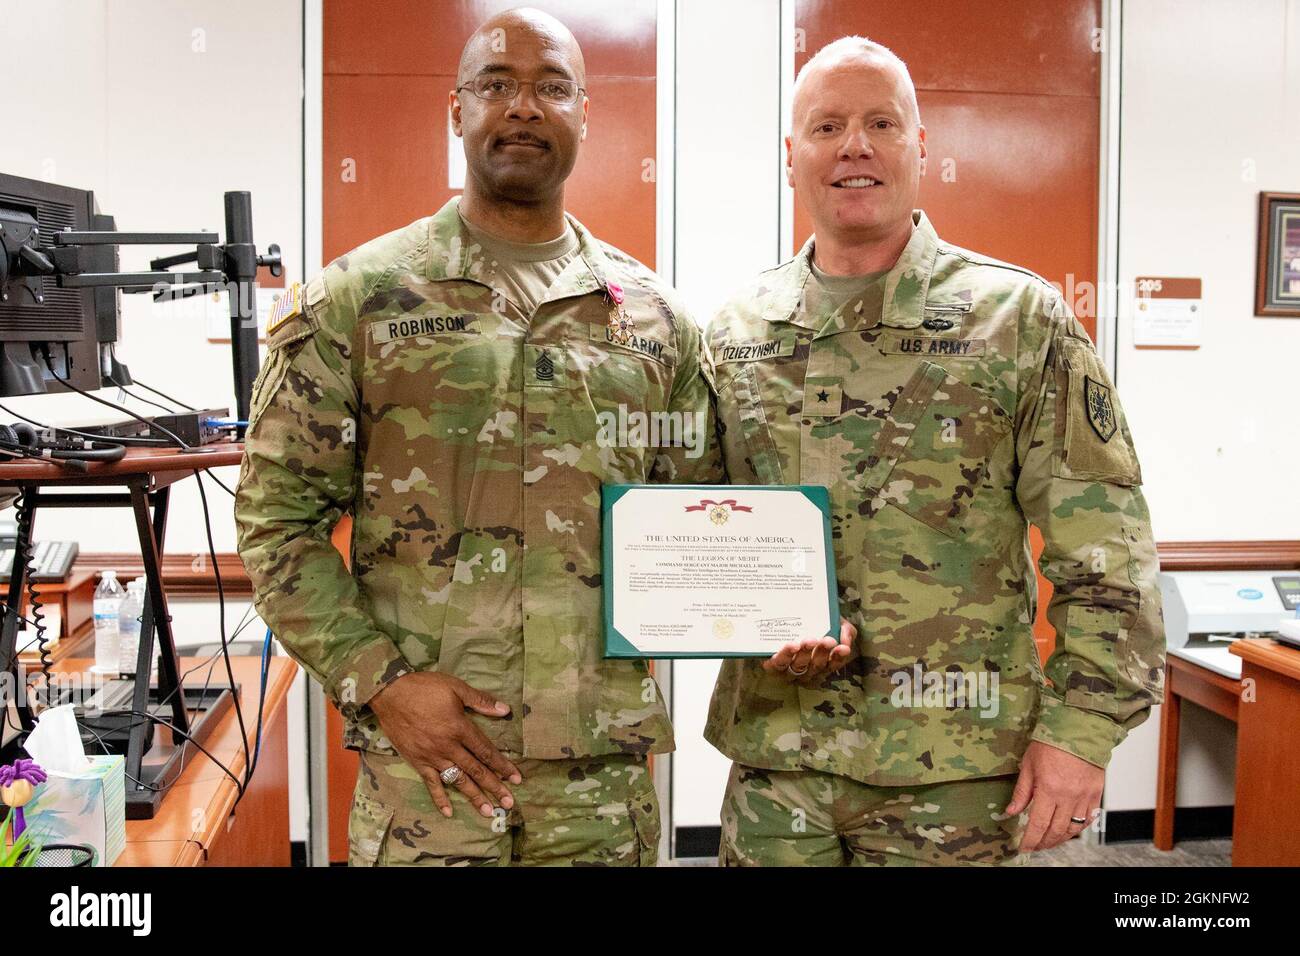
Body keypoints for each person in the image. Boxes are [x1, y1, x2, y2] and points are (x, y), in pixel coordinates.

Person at [235, 7, 720, 866]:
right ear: (455, 111)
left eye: (552, 88)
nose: (524, 108)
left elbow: (701, 515)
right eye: (496, 85)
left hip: (599, 785)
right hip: (427, 779)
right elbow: (275, 526)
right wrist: (379, 684)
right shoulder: (361, 301)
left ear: (584, 114)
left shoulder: (657, 321)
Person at [705, 36, 1164, 866]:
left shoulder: (1016, 320)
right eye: (826, 126)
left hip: (952, 773)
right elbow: (698, 532)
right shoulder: (736, 333)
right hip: (780, 769)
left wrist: (1082, 735)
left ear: (919, 148)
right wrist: (752, 617)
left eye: (881, 122)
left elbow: (1107, 548)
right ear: (791, 157)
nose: (854, 145)